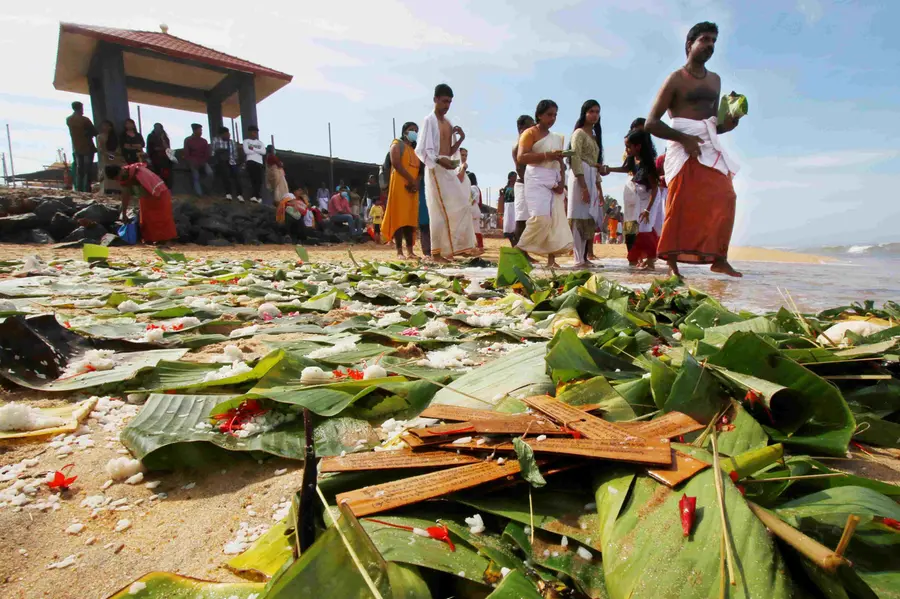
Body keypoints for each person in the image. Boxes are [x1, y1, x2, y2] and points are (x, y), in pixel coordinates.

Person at [645, 21, 742, 277]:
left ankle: (719, 258)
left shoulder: (715, 80)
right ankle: (672, 264)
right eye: (705, 40)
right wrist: (684, 139)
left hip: (707, 145)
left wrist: (729, 123)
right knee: (679, 203)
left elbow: (712, 124)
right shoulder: (676, 79)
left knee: (726, 196)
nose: (710, 45)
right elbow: (651, 123)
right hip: (681, 146)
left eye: (713, 41)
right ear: (690, 44)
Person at [416, 84, 478, 263]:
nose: (447, 105)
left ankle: (458, 248)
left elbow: (450, 151)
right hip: (435, 168)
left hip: (448, 167)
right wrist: (437, 160)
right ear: (435, 99)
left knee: (461, 204)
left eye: (449, 102)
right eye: (444, 101)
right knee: (438, 210)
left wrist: (461, 139)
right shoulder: (429, 120)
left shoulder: (449, 123)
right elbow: (421, 150)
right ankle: (436, 254)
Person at [516, 100, 573, 268]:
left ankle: (551, 260)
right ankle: (519, 250)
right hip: (535, 179)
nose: (553, 118)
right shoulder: (529, 133)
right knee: (540, 219)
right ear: (539, 115)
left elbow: (560, 162)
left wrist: (561, 181)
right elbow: (521, 157)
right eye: (549, 114)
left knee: (554, 219)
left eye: (555, 115)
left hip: (554, 179)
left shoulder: (556, 138)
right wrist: (547, 155)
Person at [567, 100, 605, 268]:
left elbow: (595, 163)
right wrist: (583, 186)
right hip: (579, 176)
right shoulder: (579, 134)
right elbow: (575, 158)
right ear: (584, 113)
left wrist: (598, 184)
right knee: (577, 216)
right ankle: (577, 258)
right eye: (591, 111)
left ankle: (583, 256)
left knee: (588, 216)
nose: (594, 115)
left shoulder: (595, 137)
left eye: (597, 111)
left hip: (591, 175)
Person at [106, 163, 176, 245]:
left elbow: (152, 186)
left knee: (161, 218)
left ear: (121, 171)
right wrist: (124, 214)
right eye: (116, 179)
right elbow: (125, 196)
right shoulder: (125, 178)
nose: (118, 179)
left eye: (118, 177)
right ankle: (150, 239)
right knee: (146, 219)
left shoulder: (139, 172)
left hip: (159, 194)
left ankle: (164, 241)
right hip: (145, 197)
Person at [621, 129, 660, 269]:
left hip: (651, 199)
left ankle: (650, 261)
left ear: (638, 146)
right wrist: (607, 169)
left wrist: (648, 209)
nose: (627, 150)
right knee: (642, 230)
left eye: (628, 146)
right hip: (641, 198)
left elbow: (655, 189)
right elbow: (625, 169)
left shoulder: (647, 164)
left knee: (644, 230)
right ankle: (645, 259)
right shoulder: (633, 159)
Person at [382, 122, 421, 258]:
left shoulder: (416, 150)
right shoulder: (397, 144)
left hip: (413, 188)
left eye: (416, 130)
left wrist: (416, 182)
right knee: (399, 218)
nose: (414, 133)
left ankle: (410, 251)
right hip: (399, 184)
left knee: (410, 219)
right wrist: (411, 179)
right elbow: (396, 163)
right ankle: (399, 251)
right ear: (404, 131)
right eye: (411, 130)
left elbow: (421, 169)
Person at [512, 115, 535, 250]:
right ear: (521, 128)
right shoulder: (518, 147)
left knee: (527, 221)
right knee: (521, 220)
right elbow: (521, 170)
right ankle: (519, 252)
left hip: (529, 185)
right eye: (530, 126)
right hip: (523, 185)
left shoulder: (528, 145)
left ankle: (524, 252)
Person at [66, 102, 96, 192]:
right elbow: (94, 132)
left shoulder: (69, 120)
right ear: (80, 108)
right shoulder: (85, 120)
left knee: (80, 170)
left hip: (76, 148)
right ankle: (86, 188)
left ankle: (79, 188)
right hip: (87, 147)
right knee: (88, 170)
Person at [212, 126, 243, 201]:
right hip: (221, 162)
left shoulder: (232, 142)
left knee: (237, 177)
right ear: (221, 134)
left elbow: (235, 154)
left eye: (228, 133)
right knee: (225, 176)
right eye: (226, 133)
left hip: (232, 162)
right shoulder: (216, 140)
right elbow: (212, 152)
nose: (228, 135)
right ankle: (228, 193)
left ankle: (239, 195)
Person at [183, 123, 212, 196]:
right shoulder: (188, 140)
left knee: (210, 173)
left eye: (201, 130)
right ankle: (200, 194)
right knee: (196, 177)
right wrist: (192, 162)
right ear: (194, 130)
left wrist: (203, 161)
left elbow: (207, 153)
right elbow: (186, 154)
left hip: (203, 161)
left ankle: (204, 184)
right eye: (200, 130)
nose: (201, 132)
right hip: (193, 162)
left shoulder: (204, 141)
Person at [96, 120, 123, 196]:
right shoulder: (100, 137)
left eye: (108, 126)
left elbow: (118, 148)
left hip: (116, 156)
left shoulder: (114, 137)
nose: (106, 127)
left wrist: (116, 155)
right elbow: (101, 150)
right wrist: (111, 156)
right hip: (106, 157)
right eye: (104, 125)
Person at [242, 126, 266, 203]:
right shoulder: (246, 141)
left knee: (259, 180)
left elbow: (263, 152)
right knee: (253, 179)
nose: (255, 134)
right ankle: (254, 196)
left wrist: (252, 148)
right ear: (249, 132)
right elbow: (246, 151)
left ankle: (257, 196)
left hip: (259, 163)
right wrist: (257, 150)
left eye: (256, 132)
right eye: (253, 132)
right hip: (251, 161)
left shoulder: (260, 143)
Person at [146, 123, 173, 189]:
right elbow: (150, 148)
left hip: (165, 158)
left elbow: (167, 148)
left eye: (158, 128)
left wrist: (163, 140)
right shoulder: (151, 136)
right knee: (156, 172)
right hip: (155, 157)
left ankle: (166, 187)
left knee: (166, 173)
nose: (157, 129)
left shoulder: (164, 137)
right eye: (155, 127)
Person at [500, 171, 517, 243]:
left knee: (515, 226)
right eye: (513, 176)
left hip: (515, 206)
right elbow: (503, 199)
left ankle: (515, 241)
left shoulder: (517, 186)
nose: (515, 178)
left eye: (515, 176)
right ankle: (512, 242)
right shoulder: (506, 188)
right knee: (508, 227)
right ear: (509, 178)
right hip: (507, 207)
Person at [468, 172, 484, 249]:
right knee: (475, 228)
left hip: (473, 208)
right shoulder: (476, 187)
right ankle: (478, 245)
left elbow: (475, 196)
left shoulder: (472, 187)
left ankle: (479, 245)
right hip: (475, 208)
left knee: (475, 228)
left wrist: (469, 202)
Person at [418, 174, 431, 257]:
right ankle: (427, 251)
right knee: (425, 228)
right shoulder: (420, 180)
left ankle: (428, 251)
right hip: (424, 206)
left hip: (425, 206)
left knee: (425, 229)